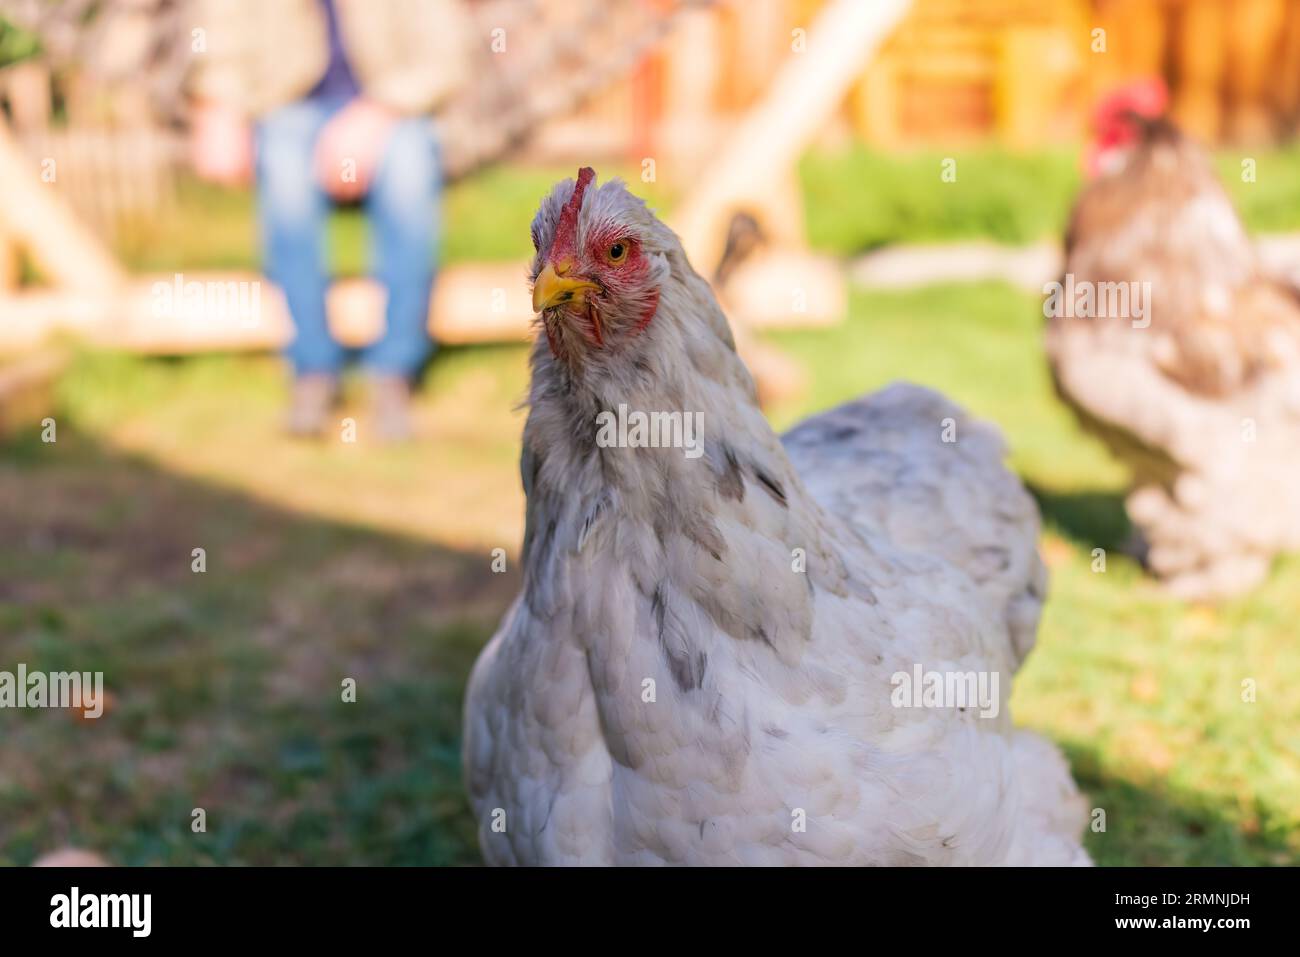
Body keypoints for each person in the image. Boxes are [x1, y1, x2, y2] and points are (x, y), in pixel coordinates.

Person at [188, 0, 468, 440]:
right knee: (286, 184)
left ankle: (393, 371)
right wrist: (218, 106)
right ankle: (313, 368)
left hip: (393, 110)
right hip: (286, 108)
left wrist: (379, 112)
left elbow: (446, 56)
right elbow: (222, 34)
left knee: (409, 175)